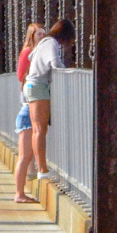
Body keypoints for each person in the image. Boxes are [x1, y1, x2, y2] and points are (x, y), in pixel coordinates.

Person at [23, 18, 75, 186]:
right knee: (40, 130)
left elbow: (32, 57)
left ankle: (41, 168)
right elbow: (54, 62)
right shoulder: (51, 43)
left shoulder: (43, 42)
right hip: (38, 86)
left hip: (31, 85)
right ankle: (42, 170)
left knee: (37, 130)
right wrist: (68, 72)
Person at [14, 21, 45, 203]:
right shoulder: (28, 52)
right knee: (25, 156)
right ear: (31, 36)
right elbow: (21, 75)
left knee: (27, 156)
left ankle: (21, 193)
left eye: (44, 34)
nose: (42, 37)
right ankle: (19, 194)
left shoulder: (35, 53)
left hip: (30, 108)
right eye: (39, 34)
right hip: (27, 110)